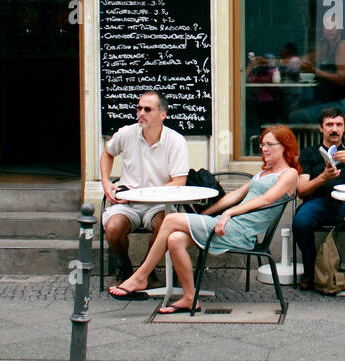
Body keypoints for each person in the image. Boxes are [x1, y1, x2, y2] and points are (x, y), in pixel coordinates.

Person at [109, 125, 300, 313]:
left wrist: (228, 213)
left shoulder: (289, 174)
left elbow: (266, 199)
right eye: (262, 145)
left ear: (285, 146)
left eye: (269, 144)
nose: (263, 149)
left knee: (170, 220)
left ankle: (141, 276)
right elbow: (232, 197)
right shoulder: (262, 173)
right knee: (175, 239)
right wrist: (205, 215)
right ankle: (189, 298)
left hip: (242, 233)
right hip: (230, 225)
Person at [99, 91, 189, 283]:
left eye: (147, 109)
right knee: (113, 228)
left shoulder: (176, 141)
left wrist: (143, 195)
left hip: (159, 203)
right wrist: (106, 183)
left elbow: (179, 182)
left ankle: (146, 269)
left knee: (166, 223)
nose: (141, 113)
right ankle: (124, 266)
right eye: (139, 108)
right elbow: (108, 153)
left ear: (162, 115)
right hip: (127, 202)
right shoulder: (127, 133)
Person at [293, 107, 345, 291]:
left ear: (344, 128)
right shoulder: (309, 153)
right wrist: (323, 177)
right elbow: (301, 191)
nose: (334, 129)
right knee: (300, 222)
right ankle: (310, 272)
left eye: (339, 124)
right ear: (321, 129)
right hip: (317, 203)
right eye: (329, 124)